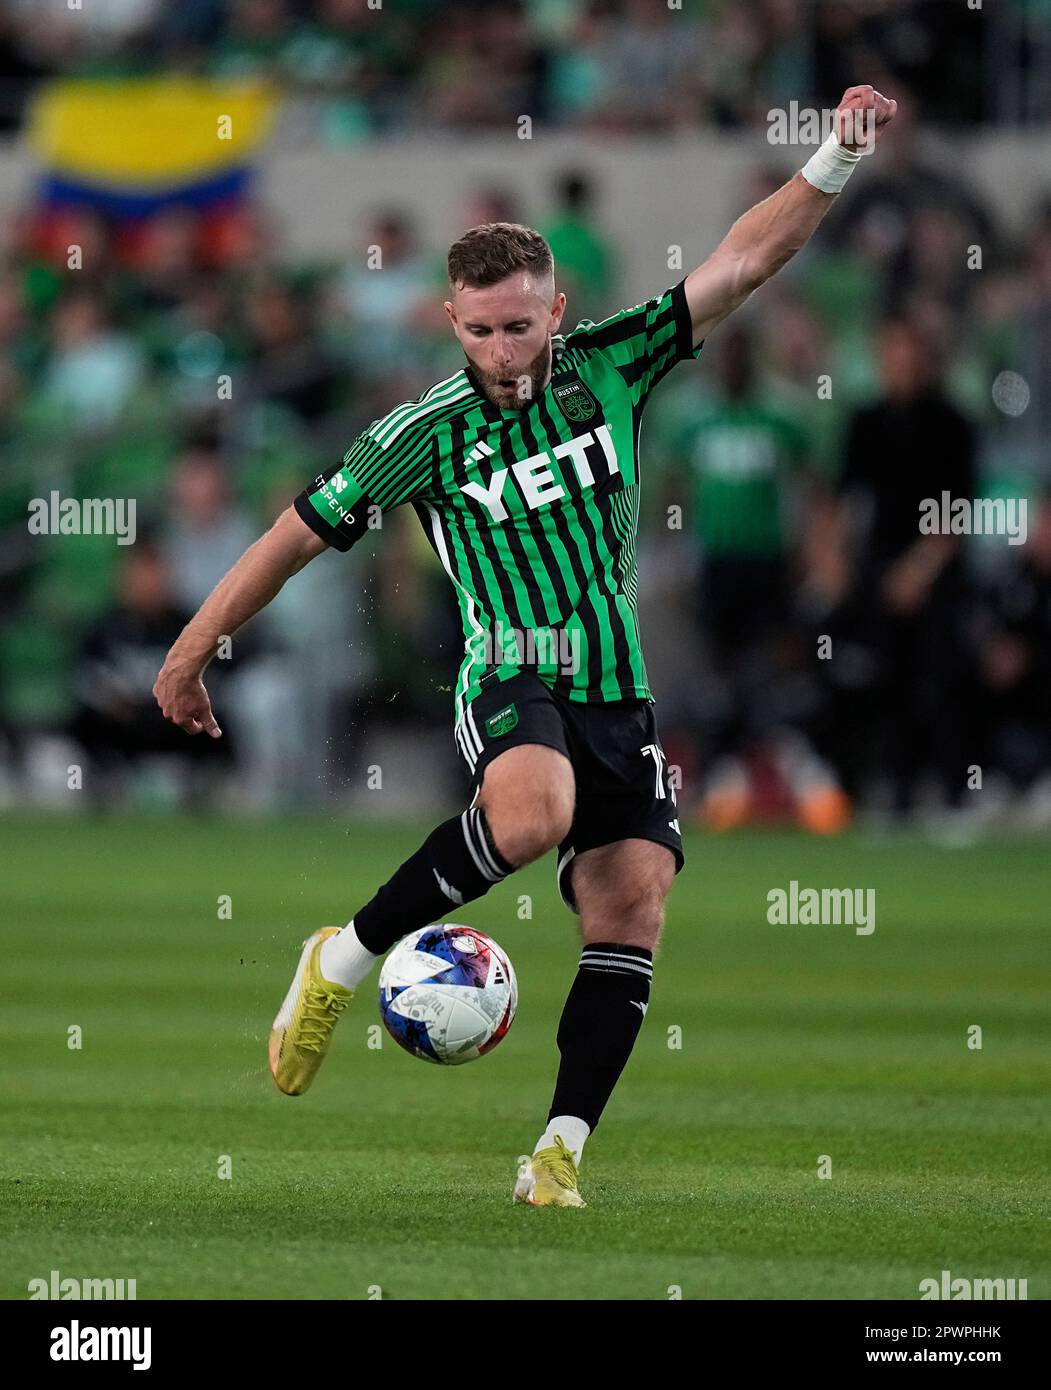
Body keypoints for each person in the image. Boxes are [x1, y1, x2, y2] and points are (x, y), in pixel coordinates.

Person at [155, 85, 897, 1208]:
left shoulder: (614, 363)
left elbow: (744, 262)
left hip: (616, 683)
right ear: (450, 322)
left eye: (521, 322)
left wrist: (836, 158)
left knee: (631, 902)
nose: (503, 347)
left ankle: (556, 1155)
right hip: (508, 664)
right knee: (533, 814)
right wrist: (192, 644)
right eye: (480, 327)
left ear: (556, 312)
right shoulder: (420, 434)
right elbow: (292, 537)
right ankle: (341, 959)